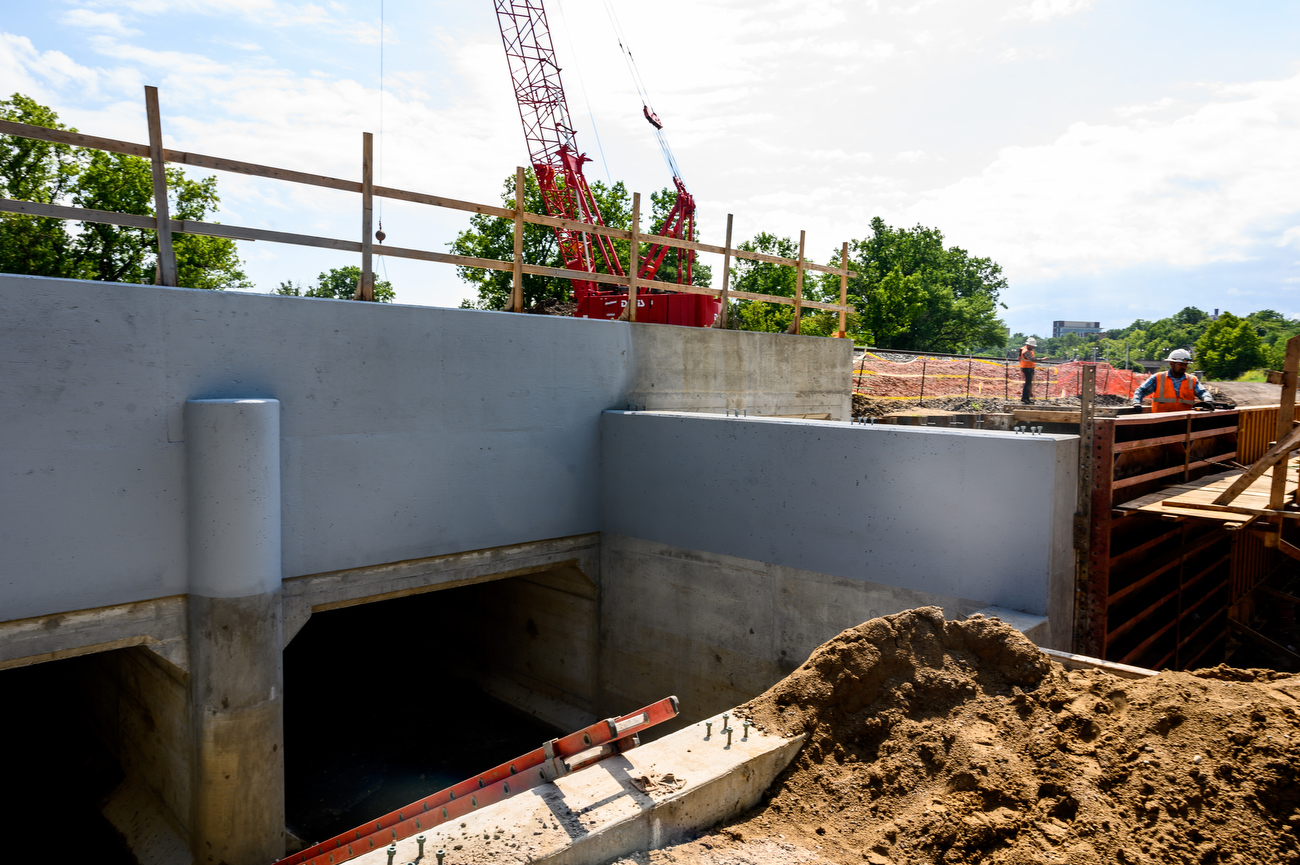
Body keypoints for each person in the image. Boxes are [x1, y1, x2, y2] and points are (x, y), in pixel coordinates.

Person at [1132, 349, 1211, 412]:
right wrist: (1136, 403)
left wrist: (1208, 401)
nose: (1183, 367)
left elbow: (1203, 392)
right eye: (1180, 364)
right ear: (1171, 364)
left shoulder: (1192, 380)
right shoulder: (1158, 378)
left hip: (1184, 421)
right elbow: (1141, 391)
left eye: (1185, 365)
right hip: (1161, 421)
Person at [1018, 337, 1037, 403]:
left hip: (1028, 367)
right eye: (1032, 346)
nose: (1033, 347)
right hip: (1027, 368)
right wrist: (1042, 359)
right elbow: (1032, 359)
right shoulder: (1025, 351)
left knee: (1029, 384)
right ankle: (1025, 398)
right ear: (1029, 345)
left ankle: (1027, 398)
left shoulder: (1026, 350)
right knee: (1027, 384)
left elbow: (1019, 358)